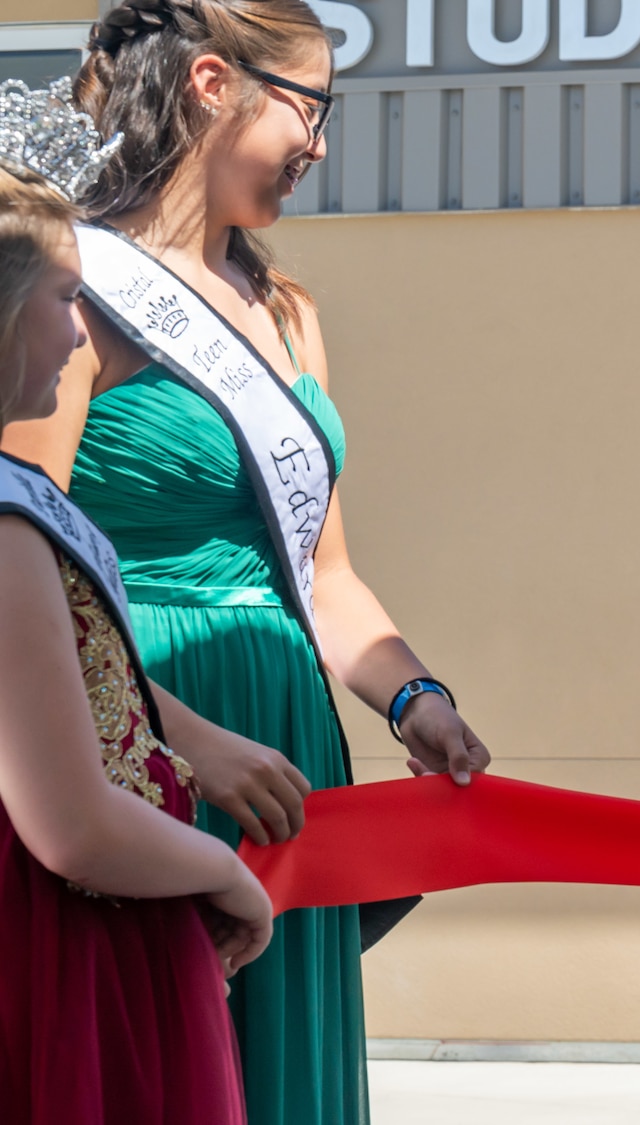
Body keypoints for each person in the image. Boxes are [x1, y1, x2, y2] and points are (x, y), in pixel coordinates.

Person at [2, 4, 493, 1121]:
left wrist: (412, 695)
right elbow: (29, 577)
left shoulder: (285, 311)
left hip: (288, 741)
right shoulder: (70, 296)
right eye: (310, 108)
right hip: (145, 732)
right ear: (214, 83)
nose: (320, 145)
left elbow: (324, 574)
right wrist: (184, 740)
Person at [0, 85, 271, 1125]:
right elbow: (69, 823)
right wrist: (228, 877)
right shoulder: (10, 530)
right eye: (63, 298)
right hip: (66, 943)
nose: (80, 337)